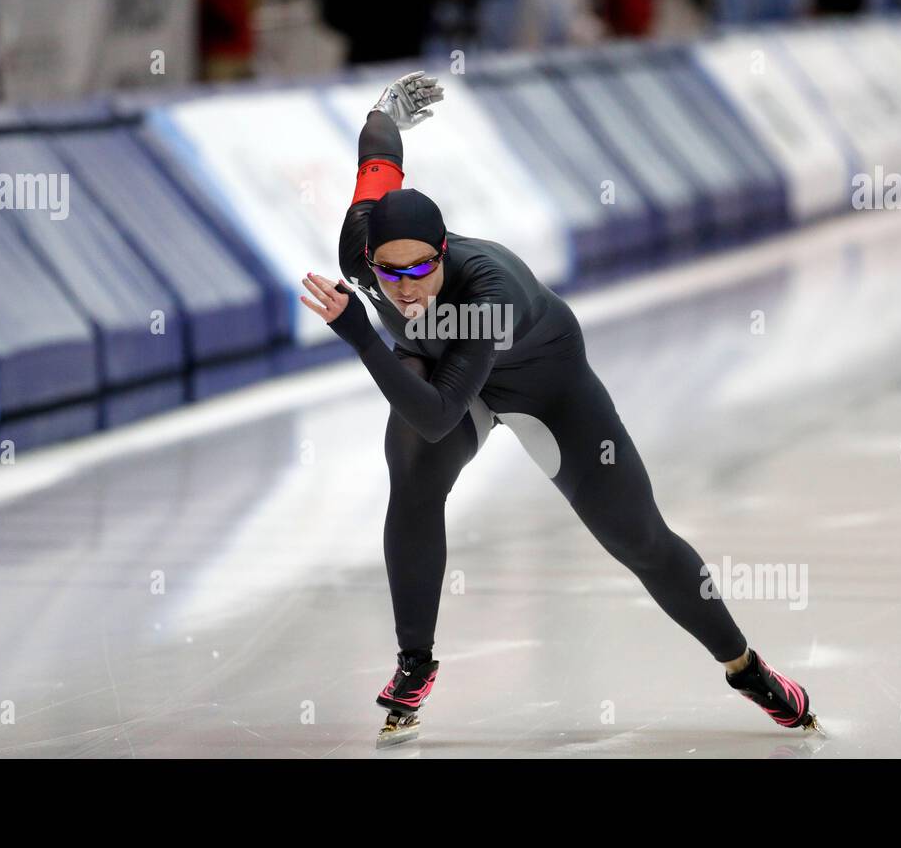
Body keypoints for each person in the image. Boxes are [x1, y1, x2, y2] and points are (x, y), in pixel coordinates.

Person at [299, 72, 820, 743]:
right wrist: (386, 108)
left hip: (541, 380)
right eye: (388, 272)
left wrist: (361, 334)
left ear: (446, 252)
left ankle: (745, 666)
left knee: (638, 538)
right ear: (365, 256)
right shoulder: (360, 244)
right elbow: (377, 158)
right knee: (412, 473)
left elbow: (438, 413)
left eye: (421, 270)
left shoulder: (490, 295)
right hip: (436, 363)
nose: (404, 288)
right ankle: (415, 664)